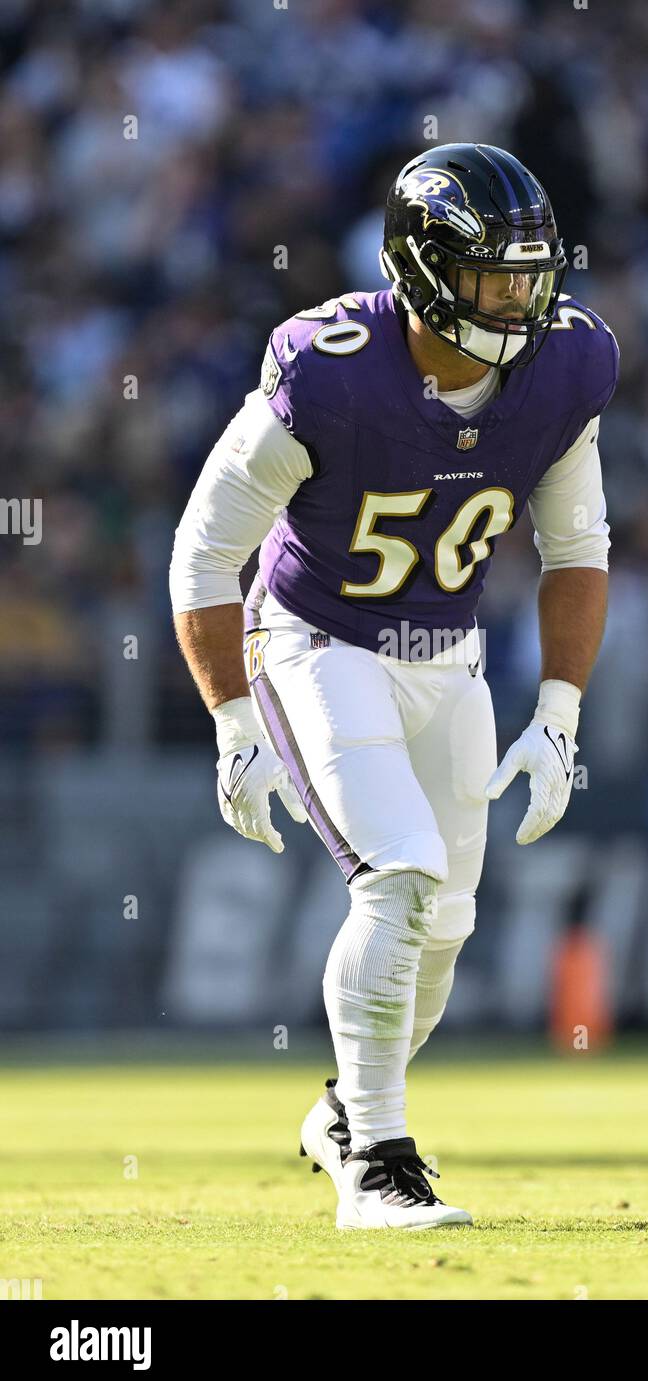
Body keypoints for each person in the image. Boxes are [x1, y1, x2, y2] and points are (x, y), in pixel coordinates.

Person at [169, 143, 618, 1228]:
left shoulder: (566, 364)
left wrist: (559, 713)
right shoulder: (328, 368)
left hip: (451, 658)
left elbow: (578, 549)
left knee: (446, 928)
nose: (521, 299)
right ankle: (377, 1160)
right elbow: (203, 551)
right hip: (319, 645)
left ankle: (338, 1113)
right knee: (402, 878)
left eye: (531, 274)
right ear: (423, 270)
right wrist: (233, 719)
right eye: (493, 276)